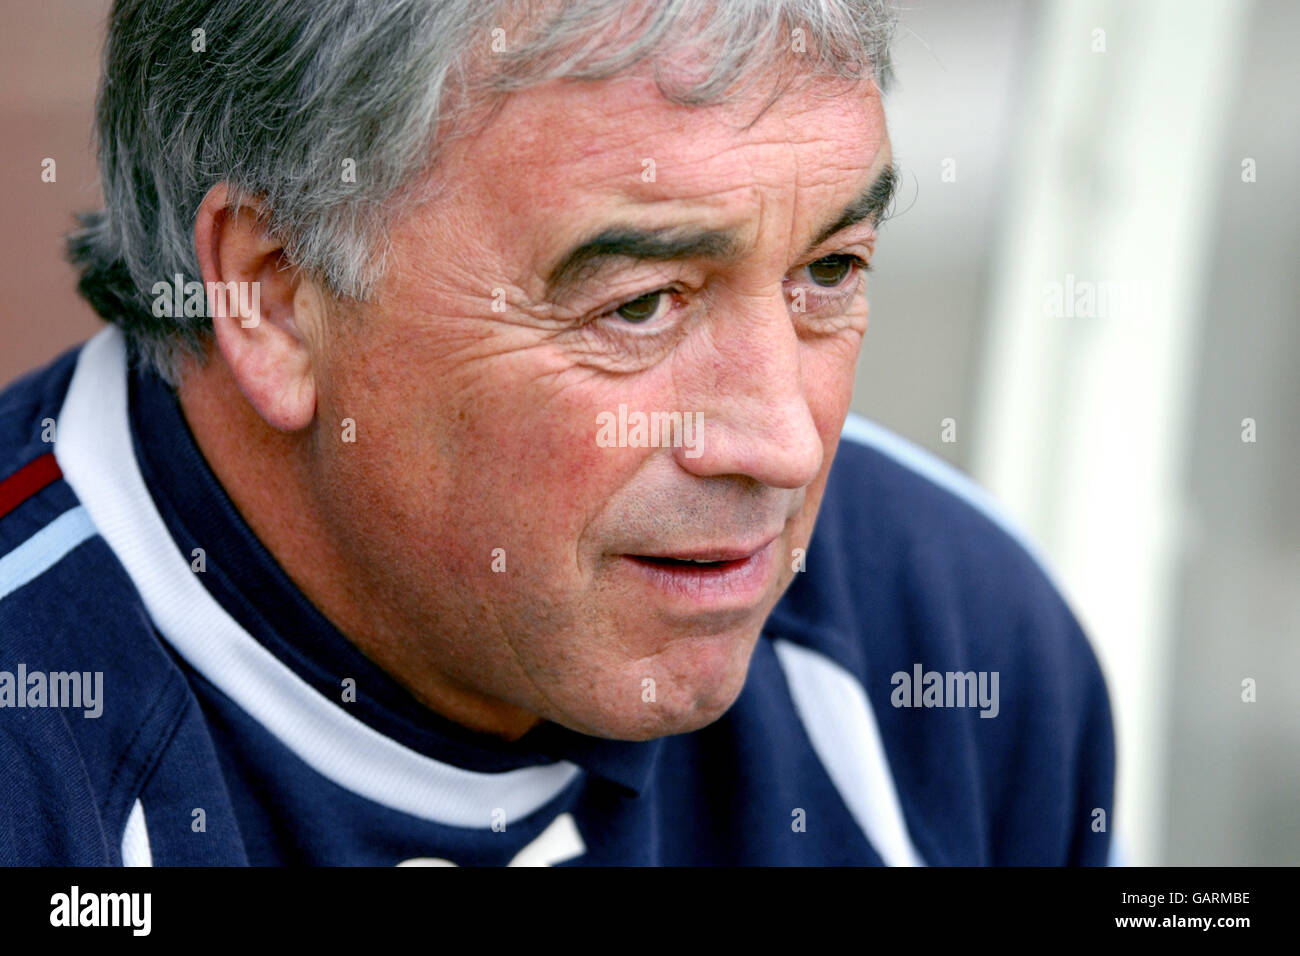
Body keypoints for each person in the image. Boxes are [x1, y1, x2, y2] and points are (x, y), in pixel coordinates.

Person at [0, 0, 1112, 865]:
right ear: (276, 296)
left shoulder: (950, 632)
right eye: (639, 302)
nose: (784, 444)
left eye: (828, 271)